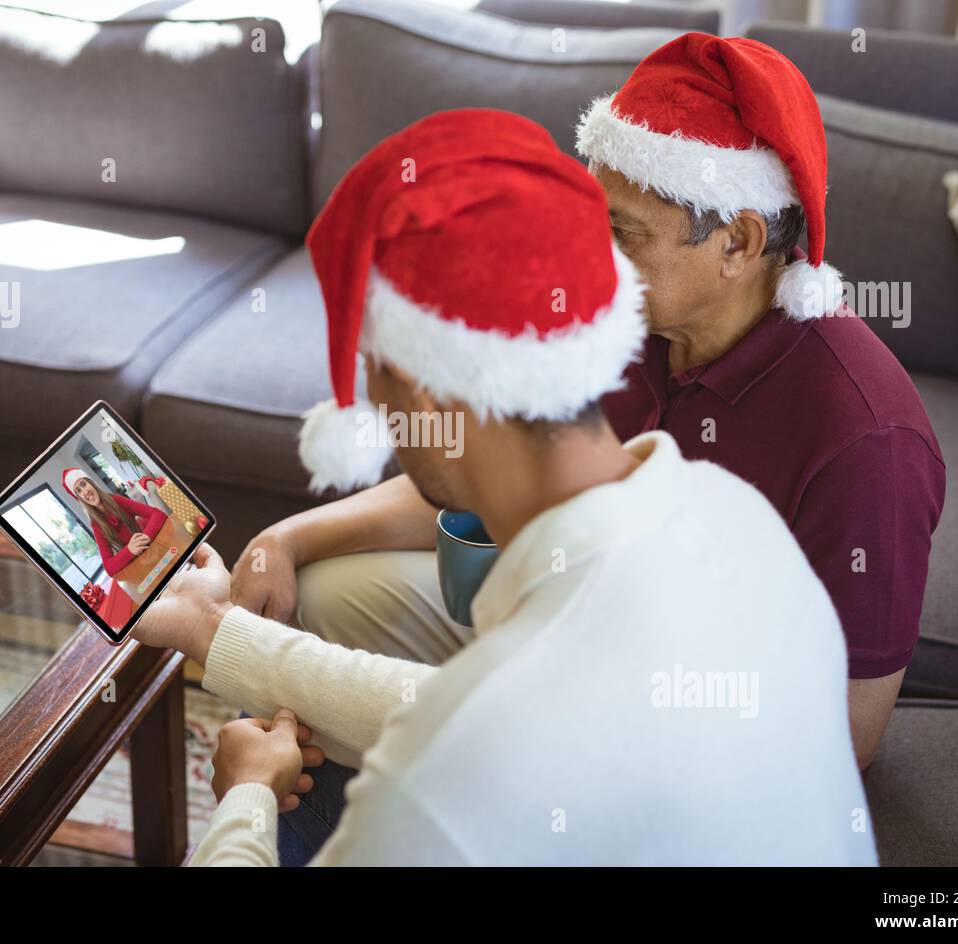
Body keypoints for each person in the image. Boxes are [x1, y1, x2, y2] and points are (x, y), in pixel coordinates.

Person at [134, 108, 876, 866]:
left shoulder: (449, 786)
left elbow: (473, 739)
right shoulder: (734, 516)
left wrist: (248, 796)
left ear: (419, 389)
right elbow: (475, 713)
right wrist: (210, 627)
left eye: (371, 365)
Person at [230, 33, 945, 771]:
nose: (588, 252)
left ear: (738, 241)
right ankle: (286, 784)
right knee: (314, 597)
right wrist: (289, 538)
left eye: (619, 232)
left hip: (668, 739)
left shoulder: (867, 439)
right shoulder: (628, 319)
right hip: (552, 622)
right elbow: (488, 468)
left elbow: (844, 740)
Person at [61, 468, 165, 579]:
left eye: (84, 484)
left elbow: (158, 514)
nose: (85, 492)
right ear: (80, 498)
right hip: (138, 565)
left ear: (91, 483)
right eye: (79, 490)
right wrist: (130, 550)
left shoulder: (116, 500)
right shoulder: (96, 525)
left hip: (154, 549)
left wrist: (145, 538)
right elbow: (109, 568)